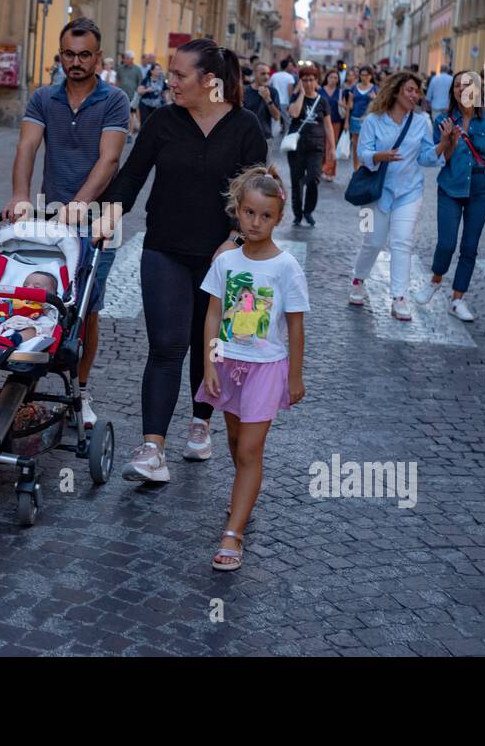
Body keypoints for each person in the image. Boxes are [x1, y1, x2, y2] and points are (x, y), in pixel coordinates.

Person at [95, 39, 267, 483]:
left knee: (210, 346)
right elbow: (133, 175)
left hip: (224, 258)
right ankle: (153, 450)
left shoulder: (246, 126)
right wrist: (107, 214)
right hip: (165, 249)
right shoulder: (163, 121)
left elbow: (255, 194)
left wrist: (235, 239)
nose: (169, 81)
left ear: (209, 82)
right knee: (167, 346)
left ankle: (200, 422)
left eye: (179, 76)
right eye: (170, 73)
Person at [3, 18, 129, 429]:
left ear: (98, 57)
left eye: (84, 55)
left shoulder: (114, 101)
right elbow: (27, 145)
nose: (75, 62)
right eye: (68, 54)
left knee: (86, 309)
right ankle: (28, 385)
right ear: (60, 56)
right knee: (40, 299)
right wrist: (21, 195)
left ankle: (80, 389)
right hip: (49, 217)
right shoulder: (43, 98)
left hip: (97, 220)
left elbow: (108, 159)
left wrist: (78, 206)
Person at [197, 165, 307, 571]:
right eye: (249, 213)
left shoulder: (286, 268)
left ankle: (233, 533)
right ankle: (244, 489)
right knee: (233, 438)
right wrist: (210, 361)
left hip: (266, 367)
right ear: (237, 211)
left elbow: (295, 324)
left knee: (249, 448)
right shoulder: (226, 262)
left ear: (278, 218)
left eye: (266, 216)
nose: (256, 222)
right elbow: (212, 315)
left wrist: (294, 375)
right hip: (227, 363)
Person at [410, 70, 485, 322]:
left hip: (481, 187)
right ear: (453, 91)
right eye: (457, 85)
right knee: (446, 242)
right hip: (450, 186)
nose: (461, 88)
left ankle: (457, 299)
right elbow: (442, 158)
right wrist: (447, 140)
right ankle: (435, 280)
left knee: (469, 246)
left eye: (467, 84)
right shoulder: (444, 119)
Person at [349, 71, 447, 320]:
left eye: (417, 91)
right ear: (396, 92)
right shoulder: (373, 120)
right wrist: (381, 156)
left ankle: (399, 297)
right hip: (374, 192)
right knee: (372, 241)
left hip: (409, 191)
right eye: (410, 90)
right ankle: (358, 279)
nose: (415, 95)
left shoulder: (422, 121)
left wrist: (444, 143)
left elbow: (426, 157)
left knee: (402, 242)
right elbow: (363, 153)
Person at [283, 63, 332, 228]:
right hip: (297, 147)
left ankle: (308, 211)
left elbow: (328, 125)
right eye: (305, 80)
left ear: (317, 81)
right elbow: (294, 113)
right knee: (296, 183)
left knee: (314, 178)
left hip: (316, 147)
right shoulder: (295, 98)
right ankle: (297, 215)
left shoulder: (323, 101)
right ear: (300, 81)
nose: (309, 83)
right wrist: (301, 94)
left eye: (311, 80)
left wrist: (331, 147)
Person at [346, 65, 377, 172]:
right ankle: (356, 168)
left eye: (366, 75)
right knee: (355, 146)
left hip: (368, 121)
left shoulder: (375, 88)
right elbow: (349, 106)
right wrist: (346, 121)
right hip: (355, 118)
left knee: (367, 145)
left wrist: (375, 99)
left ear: (371, 76)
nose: (364, 77)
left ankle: (366, 167)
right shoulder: (354, 87)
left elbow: (380, 106)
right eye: (362, 75)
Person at [244, 61, 282, 142]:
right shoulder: (244, 91)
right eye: (263, 74)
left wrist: (267, 99)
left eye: (268, 73)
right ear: (254, 74)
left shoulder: (273, 92)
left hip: (264, 137)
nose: (267, 77)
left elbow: (277, 117)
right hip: (245, 137)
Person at [319, 68, 344, 181]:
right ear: (326, 78)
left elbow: (348, 107)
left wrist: (342, 105)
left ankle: (329, 171)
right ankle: (320, 168)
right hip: (320, 122)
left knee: (331, 146)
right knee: (321, 145)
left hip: (335, 121)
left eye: (335, 78)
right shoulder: (320, 90)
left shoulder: (340, 92)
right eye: (331, 77)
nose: (333, 79)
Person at [115, 50, 143, 134]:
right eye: (125, 58)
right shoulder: (119, 68)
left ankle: (130, 133)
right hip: (121, 94)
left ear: (132, 59)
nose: (125, 60)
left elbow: (140, 82)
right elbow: (117, 80)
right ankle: (121, 131)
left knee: (132, 114)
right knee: (121, 113)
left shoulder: (137, 69)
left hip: (132, 95)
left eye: (127, 58)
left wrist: (138, 94)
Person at [136, 52, 166, 127]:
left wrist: (167, 101)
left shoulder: (162, 81)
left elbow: (166, 92)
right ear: (152, 71)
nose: (159, 71)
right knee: (145, 124)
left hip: (157, 106)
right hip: (145, 105)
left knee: (155, 124)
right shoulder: (146, 80)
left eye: (160, 69)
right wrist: (147, 90)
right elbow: (139, 91)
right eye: (157, 69)